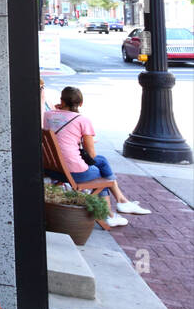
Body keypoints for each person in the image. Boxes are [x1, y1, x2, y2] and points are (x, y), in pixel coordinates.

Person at [43, 86, 150, 225]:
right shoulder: (82, 120)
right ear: (81, 103)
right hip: (73, 173)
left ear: (61, 101)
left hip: (52, 169)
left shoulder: (48, 115)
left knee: (102, 161)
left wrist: (59, 109)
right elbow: (91, 154)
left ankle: (121, 202)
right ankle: (111, 213)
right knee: (100, 172)